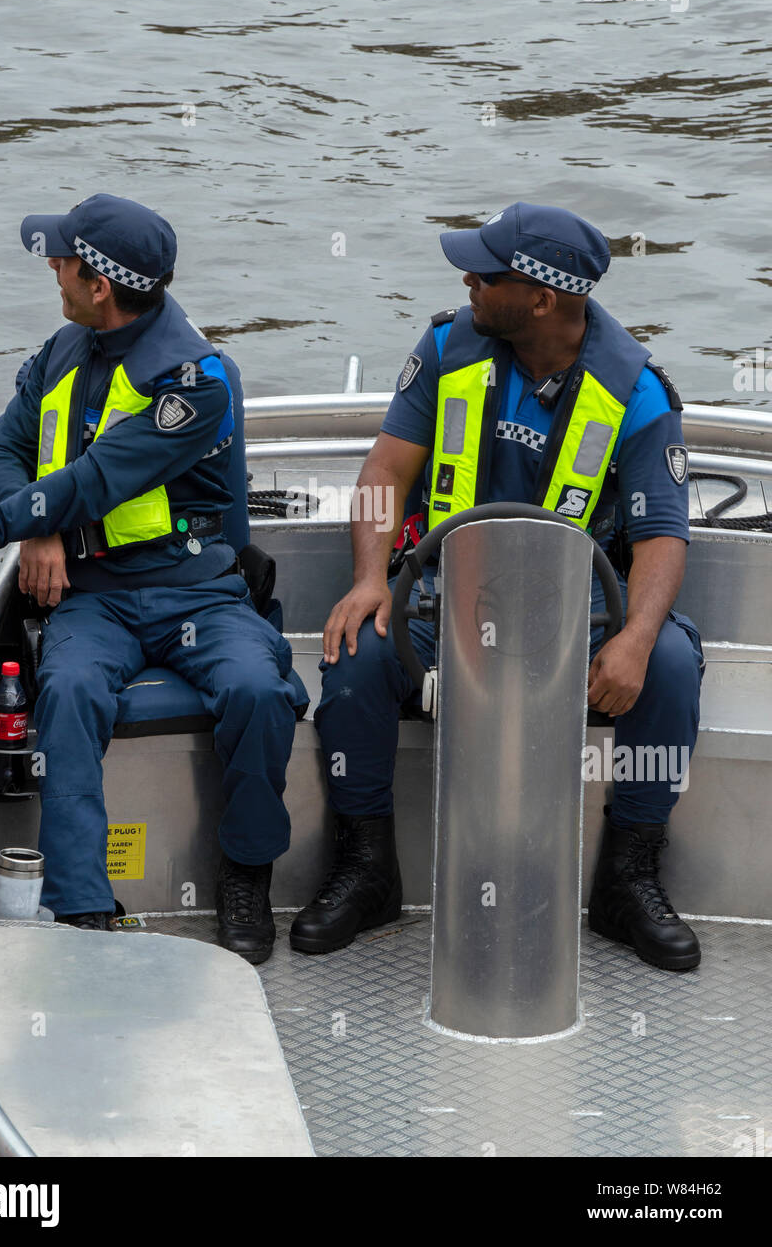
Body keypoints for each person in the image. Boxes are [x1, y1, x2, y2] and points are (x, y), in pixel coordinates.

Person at [291, 201, 704, 972]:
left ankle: (629, 878)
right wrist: (368, 580)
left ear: (542, 299)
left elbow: (661, 537)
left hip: (573, 615)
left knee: (672, 664)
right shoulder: (449, 344)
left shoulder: (638, 393)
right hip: (442, 599)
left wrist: (636, 640)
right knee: (354, 654)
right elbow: (385, 473)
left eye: (486, 272)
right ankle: (367, 869)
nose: (467, 279)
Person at [0, 193, 304, 963]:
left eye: (61, 259)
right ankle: (81, 908)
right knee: (67, 694)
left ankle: (246, 874)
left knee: (257, 691)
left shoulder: (195, 383)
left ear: (99, 285)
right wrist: (37, 524)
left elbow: (96, 480)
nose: (53, 270)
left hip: (198, 590)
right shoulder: (62, 350)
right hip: (95, 597)